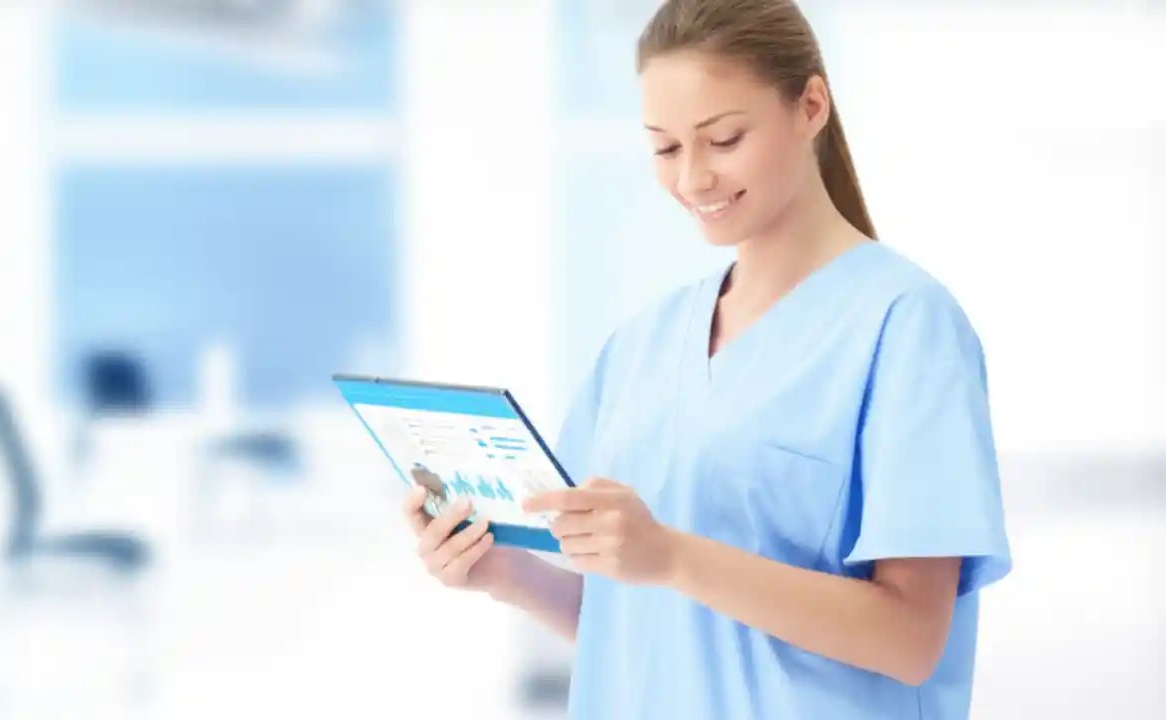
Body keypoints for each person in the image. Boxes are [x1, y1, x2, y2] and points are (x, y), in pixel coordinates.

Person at [401, 1, 1011, 717]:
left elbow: (909, 638)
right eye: (664, 148)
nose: (693, 179)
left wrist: (674, 556)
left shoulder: (905, 327)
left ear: (811, 105)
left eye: (723, 139)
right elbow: (639, 627)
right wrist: (506, 574)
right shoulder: (641, 345)